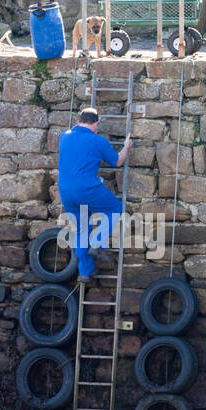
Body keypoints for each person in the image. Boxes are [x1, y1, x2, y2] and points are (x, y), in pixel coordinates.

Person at [57, 108, 132, 281]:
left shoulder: (64, 136)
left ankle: (84, 273)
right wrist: (126, 147)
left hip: (65, 192)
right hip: (86, 189)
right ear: (96, 124)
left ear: (78, 122)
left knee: (82, 229)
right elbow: (118, 161)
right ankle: (97, 244)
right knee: (114, 208)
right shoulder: (98, 141)